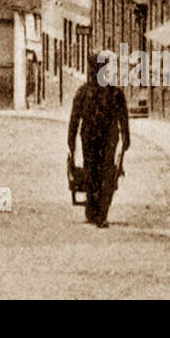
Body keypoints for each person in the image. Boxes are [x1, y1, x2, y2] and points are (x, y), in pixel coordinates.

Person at [67, 50, 130, 227]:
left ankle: (100, 213)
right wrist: (70, 142)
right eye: (94, 70)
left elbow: (123, 117)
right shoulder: (83, 93)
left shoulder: (114, 94)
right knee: (92, 173)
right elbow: (74, 120)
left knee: (105, 175)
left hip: (108, 139)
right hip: (90, 139)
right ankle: (93, 210)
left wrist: (126, 137)